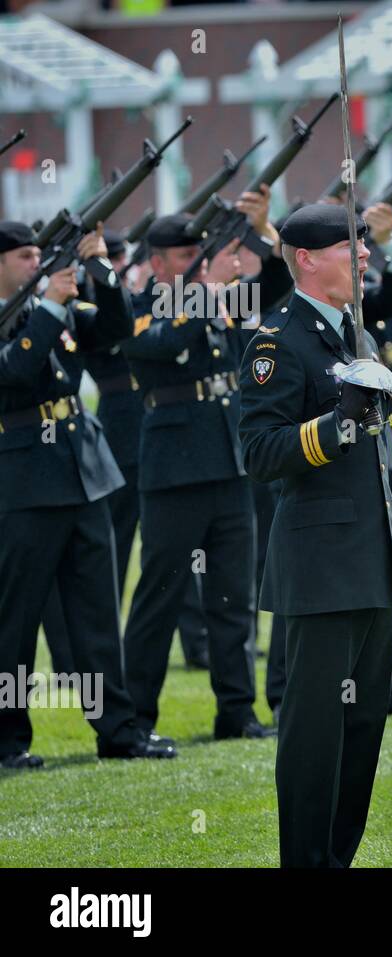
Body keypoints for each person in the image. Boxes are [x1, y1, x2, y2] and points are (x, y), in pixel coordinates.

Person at [239, 203, 392, 867]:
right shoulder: (278, 341)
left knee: (364, 724)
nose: (365, 255)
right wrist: (339, 422)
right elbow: (259, 449)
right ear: (306, 258)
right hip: (319, 564)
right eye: (351, 246)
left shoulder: (349, 334)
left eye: (366, 245)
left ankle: (338, 859)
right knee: (315, 734)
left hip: (371, 555)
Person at [0, 219, 174, 767]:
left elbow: (118, 328)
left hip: (81, 469)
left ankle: (118, 731)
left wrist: (99, 265)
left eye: (38, 255)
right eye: (26, 256)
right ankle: (7, 740)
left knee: (98, 614)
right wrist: (50, 305)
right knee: (16, 622)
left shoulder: (59, 306)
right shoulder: (28, 314)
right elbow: (17, 374)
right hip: (23, 481)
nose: (37, 264)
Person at [119, 212, 273, 741]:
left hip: (228, 462)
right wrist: (206, 294)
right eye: (186, 258)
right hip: (175, 470)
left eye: (200, 255)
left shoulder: (221, 300)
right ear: (158, 263)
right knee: (160, 596)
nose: (198, 265)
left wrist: (259, 234)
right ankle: (135, 718)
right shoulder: (138, 309)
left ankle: (237, 711)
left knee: (233, 598)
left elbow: (273, 289)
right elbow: (158, 344)